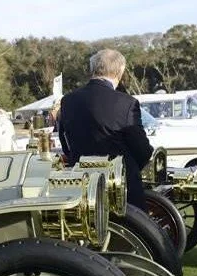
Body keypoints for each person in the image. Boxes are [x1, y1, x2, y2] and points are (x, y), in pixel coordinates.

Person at [58, 49, 153, 209]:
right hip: (122, 187)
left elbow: (65, 143)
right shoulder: (127, 103)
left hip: (83, 184)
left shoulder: (68, 101)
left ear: (92, 69)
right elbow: (142, 149)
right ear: (120, 71)